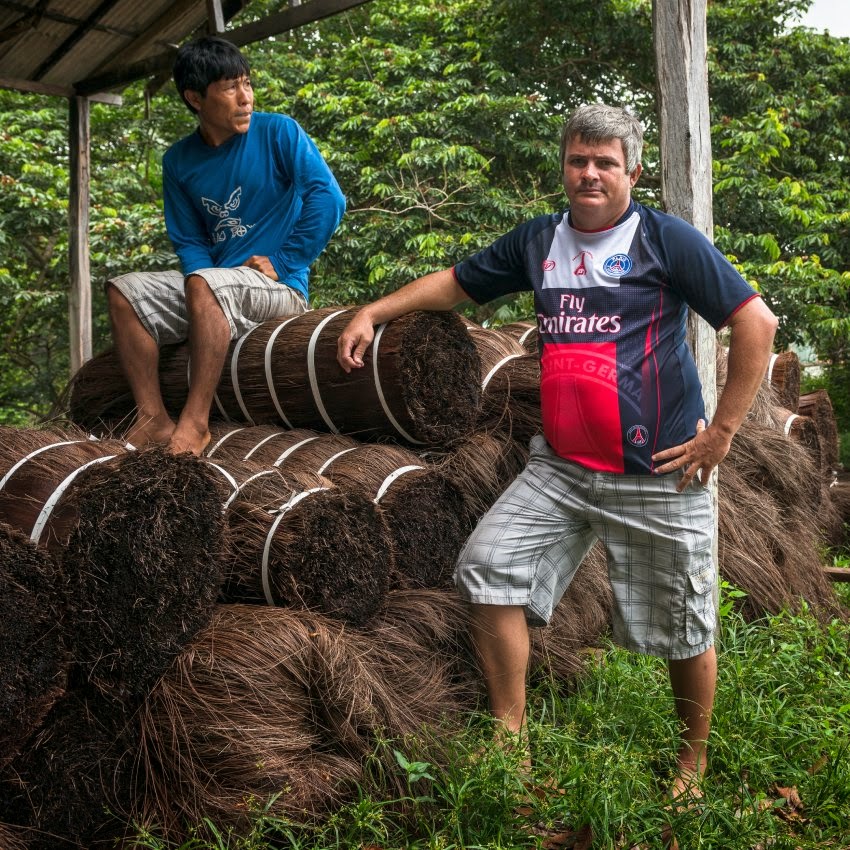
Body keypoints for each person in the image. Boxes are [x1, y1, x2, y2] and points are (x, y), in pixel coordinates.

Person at [337, 104, 778, 802]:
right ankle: (510, 740)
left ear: (634, 170)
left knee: (687, 625)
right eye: (579, 160)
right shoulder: (539, 241)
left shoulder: (666, 241)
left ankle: (690, 767)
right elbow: (456, 283)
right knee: (487, 569)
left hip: (659, 472)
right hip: (562, 468)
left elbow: (755, 322)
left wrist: (722, 432)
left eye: (606, 161)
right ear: (563, 168)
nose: (591, 173)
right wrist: (373, 311)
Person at [107, 36, 345, 456]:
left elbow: (328, 197)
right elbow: (190, 240)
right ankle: (152, 420)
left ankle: (195, 423)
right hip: (212, 288)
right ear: (195, 98)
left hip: (279, 289)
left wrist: (285, 259)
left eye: (247, 84)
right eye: (231, 87)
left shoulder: (279, 132)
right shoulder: (178, 160)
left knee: (203, 283)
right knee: (124, 291)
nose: (245, 97)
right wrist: (198, 291)